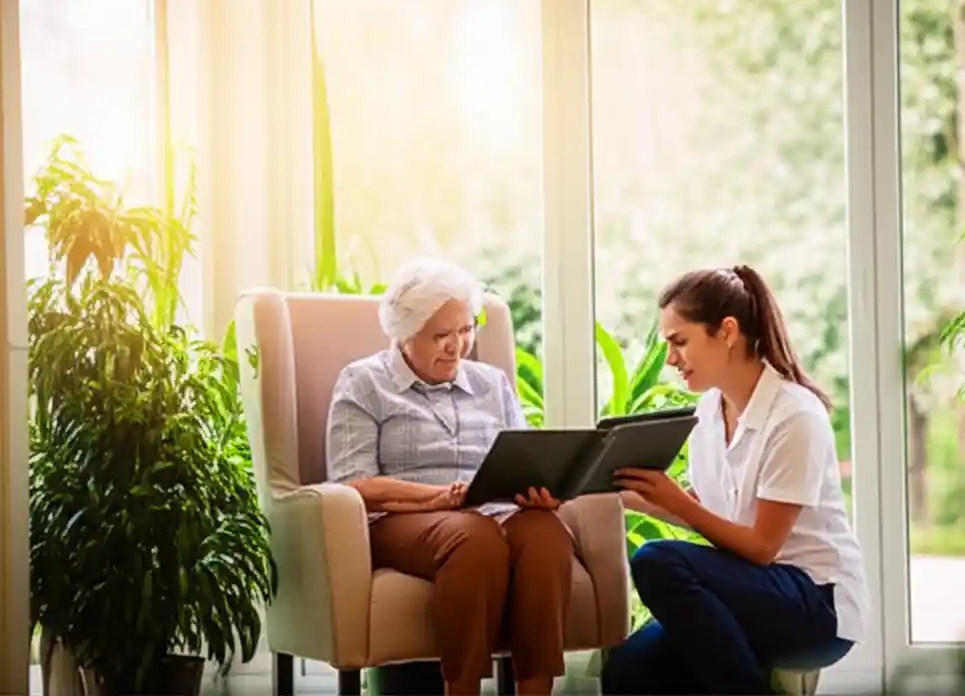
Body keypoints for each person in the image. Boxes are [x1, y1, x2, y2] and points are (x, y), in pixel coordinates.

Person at [602, 265, 869, 695]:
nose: (671, 358)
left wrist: (676, 501)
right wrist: (599, 489)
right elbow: (705, 507)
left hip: (817, 604)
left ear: (727, 332)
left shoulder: (794, 415)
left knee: (656, 560)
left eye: (680, 342)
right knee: (628, 669)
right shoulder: (710, 411)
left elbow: (762, 547)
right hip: (749, 591)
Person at [325, 258, 572, 696]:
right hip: (402, 519)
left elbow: (524, 455)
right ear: (404, 333)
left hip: (492, 510)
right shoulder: (364, 382)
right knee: (472, 536)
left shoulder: (492, 384)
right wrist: (435, 497)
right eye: (441, 335)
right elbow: (352, 485)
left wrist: (539, 488)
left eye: (466, 330)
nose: (458, 347)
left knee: (545, 534)